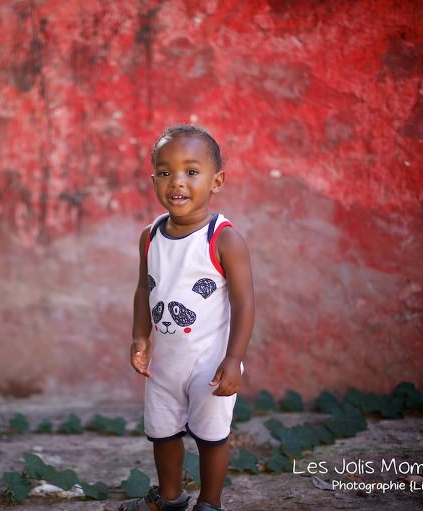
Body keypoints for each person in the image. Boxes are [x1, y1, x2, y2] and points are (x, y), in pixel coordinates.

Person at [121, 125, 255, 511]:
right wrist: (140, 338)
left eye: (191, 172)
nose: (176, 182)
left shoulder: (223, 239)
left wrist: (233, 359)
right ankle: (169, 497)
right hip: (166, 363)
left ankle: (210, 503)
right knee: (162, 433)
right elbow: (144, 289)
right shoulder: (150, 236)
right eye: (165, 173)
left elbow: (245, 303)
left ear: (217, 181)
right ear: (153, 180)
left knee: (212, 436)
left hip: (210, 364)